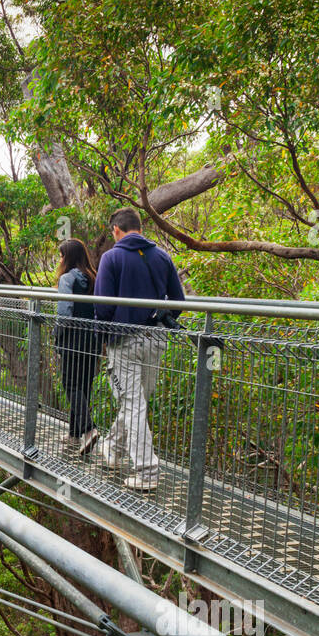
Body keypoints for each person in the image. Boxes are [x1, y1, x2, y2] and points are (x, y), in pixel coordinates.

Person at [93, 209, 185, 491]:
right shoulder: (161, 256)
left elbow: (102, 306)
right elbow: (178, 301)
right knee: (137, 402)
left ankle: (147, 472)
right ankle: (112, 447)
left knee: (133, 404)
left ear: (116, 230)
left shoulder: (111, 257)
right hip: (155, 339)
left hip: (124, 341)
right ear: (140, 229)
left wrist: (105, 335)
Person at [54, 238, 102, 455]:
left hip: (72, 339)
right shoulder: (94, 278)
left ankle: (88, 429)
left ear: (68, 257)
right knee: (83, 385)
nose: (60, 259)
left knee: (70, 384)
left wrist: (57, 336)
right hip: (92, 340)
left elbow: (64, 313)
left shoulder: (66, 279)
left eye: (62, 255)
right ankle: (74, 434)